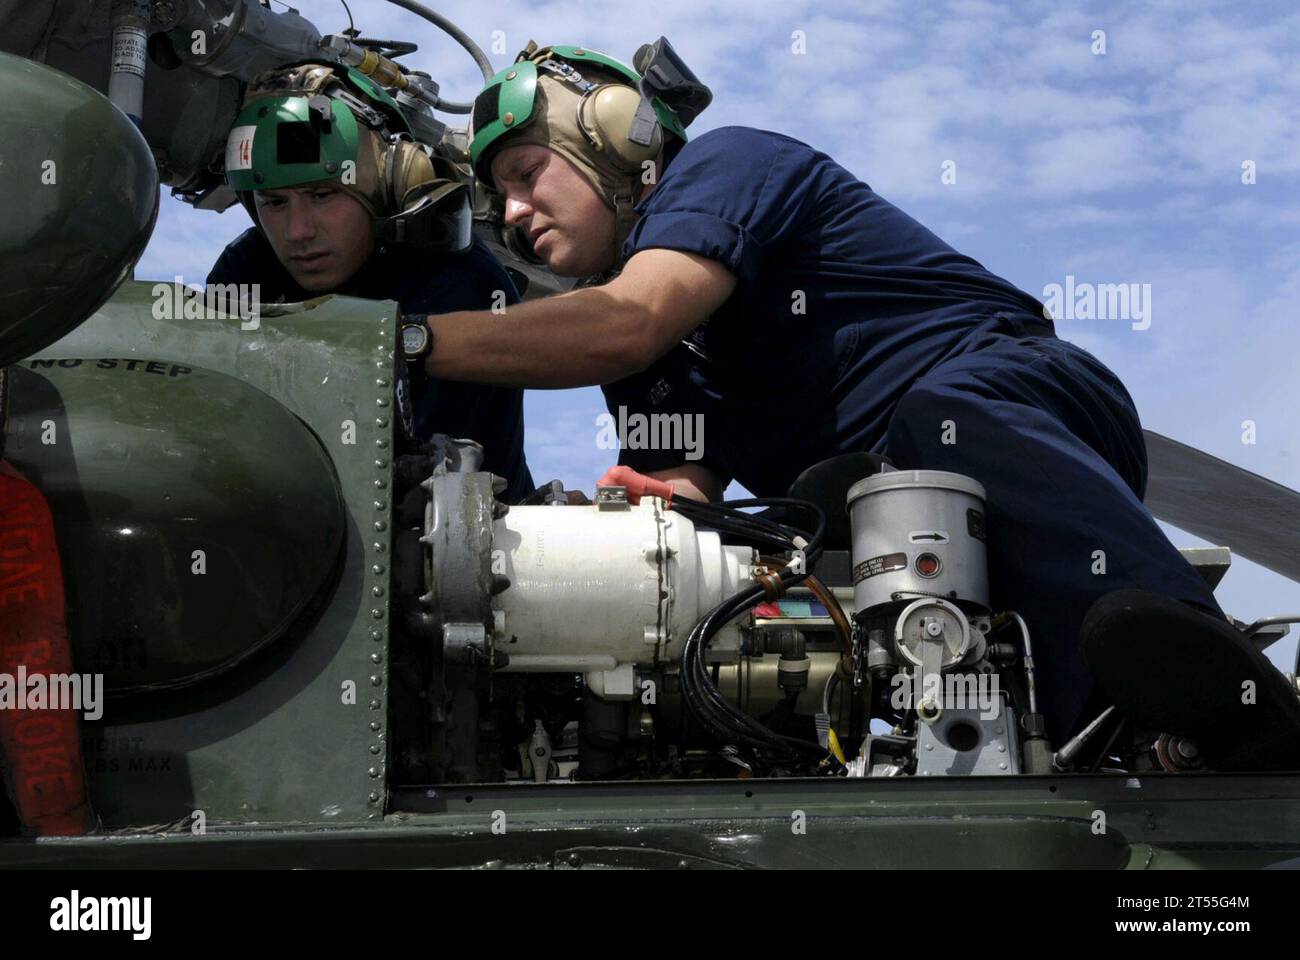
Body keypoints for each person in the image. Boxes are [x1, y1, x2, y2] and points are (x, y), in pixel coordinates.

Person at [408, 40, 1300, 769]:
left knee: (932, 428)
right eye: (502, 199)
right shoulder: (637, 365)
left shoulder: (728, 166)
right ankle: (1120, 735)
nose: (516, 211)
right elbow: (685, 493)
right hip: (895, 526)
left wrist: (401, 338)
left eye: (528, 174)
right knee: (821, 511)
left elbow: (627, 323)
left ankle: (1212, 670)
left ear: (611, 140)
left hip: (1025, 403)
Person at [207, 60, 533, 501]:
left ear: (390, 184)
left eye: (322, 196)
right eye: (274, 202)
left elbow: (402, 485)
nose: (298, 231)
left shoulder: (463, 284)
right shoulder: (246, 272)